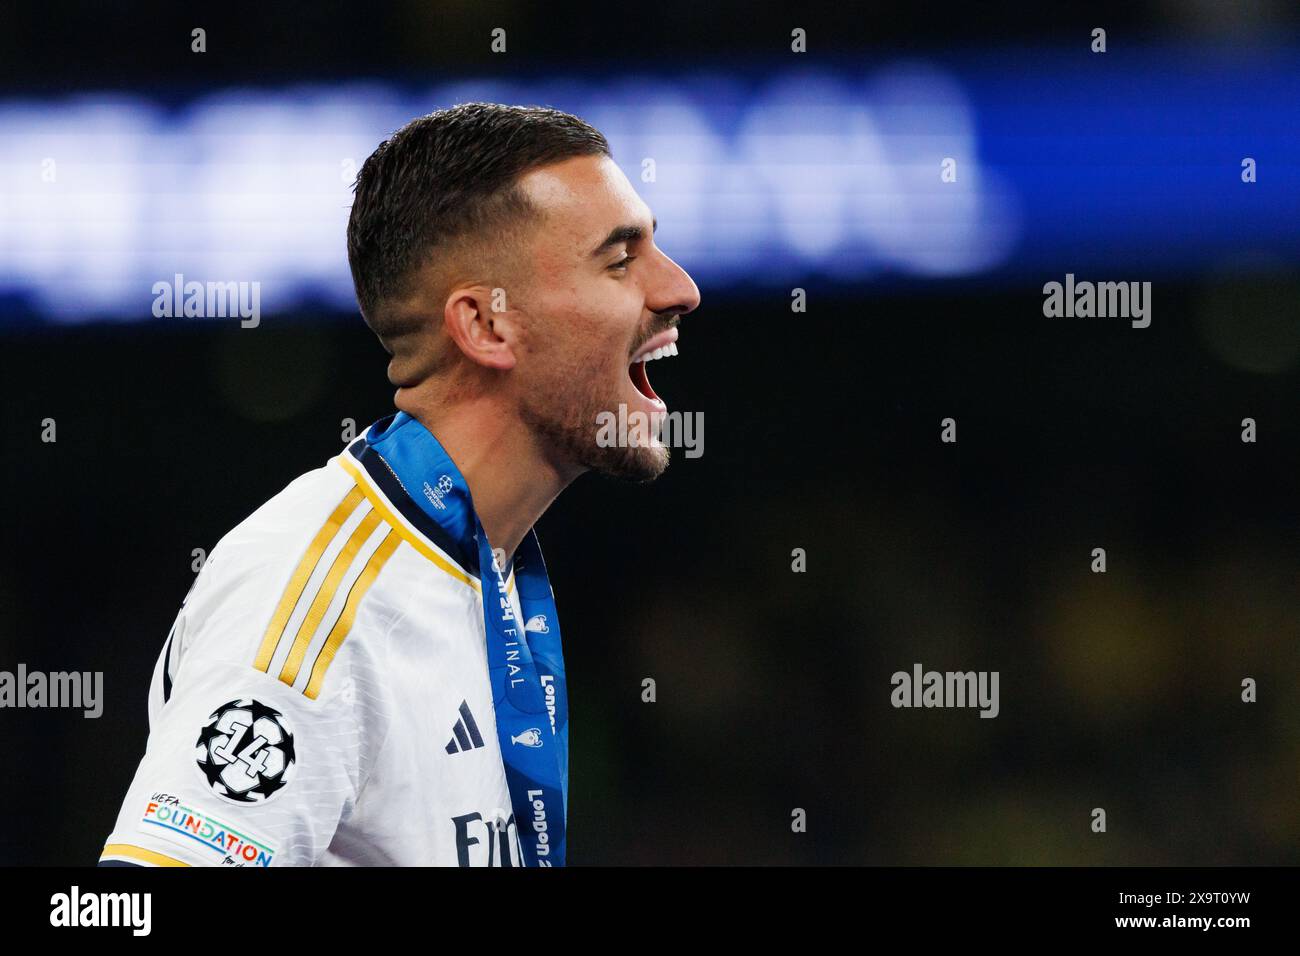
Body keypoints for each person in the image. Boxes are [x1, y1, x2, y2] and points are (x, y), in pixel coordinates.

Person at [97, 102, 701, 867]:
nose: (680, 288)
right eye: (620, 260)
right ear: (485, 326)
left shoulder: (476, 564)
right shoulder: (316, 590)